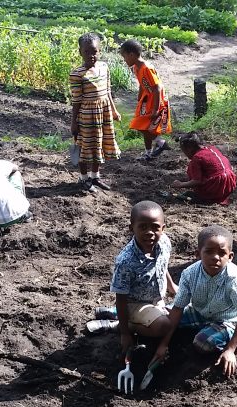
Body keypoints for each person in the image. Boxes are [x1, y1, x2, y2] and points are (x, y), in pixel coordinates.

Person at [153, 225, 237, 378]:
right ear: (198, 254)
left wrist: (230, 349)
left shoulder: (234, 279)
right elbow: (178, 308)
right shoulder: (189, 274)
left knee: (202, 342)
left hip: (226, 320)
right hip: (197, 311)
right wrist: (163, 344)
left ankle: (215, 336)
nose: (215, 257)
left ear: (230, 256)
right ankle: (112, 316)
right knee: (158, 320)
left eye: (222, 253)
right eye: (209, 252)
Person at [88, 201, 177, 359]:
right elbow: (121, 297)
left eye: (155, 227)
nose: (149, 232)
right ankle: (119, 325)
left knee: (179, 315)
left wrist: (172, 287)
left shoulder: (164, 243)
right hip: (134, 303)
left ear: (163, 228)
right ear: (132, 228)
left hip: (156, 299)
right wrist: (125, 334)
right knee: (164, 326)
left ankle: (114, 315)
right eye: (143, 227)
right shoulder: (126, 261)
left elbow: (162, 266)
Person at [71, 32, 121, 193]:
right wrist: (74, 122)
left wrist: (114, 110)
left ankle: (95, 176)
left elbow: (107, 91)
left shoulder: (104, 67)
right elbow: (76, 101)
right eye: (87, 52)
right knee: (86, 146)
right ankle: (84, 178)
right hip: (87, 115)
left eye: (94, 51)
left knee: (99, 144)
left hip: (104, 112)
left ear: (99, 50)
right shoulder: (77, 74)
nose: (91, 55)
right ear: (80, 52)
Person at [119, 39, 172, 161]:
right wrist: (140, 96)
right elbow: (142, 84)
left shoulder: (146, 68)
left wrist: (155, 109)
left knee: (141, 126)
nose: (124, 59)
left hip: (155, 100)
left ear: (131, 54)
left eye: (124, 56)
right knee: (142, 125)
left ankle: (160, 143)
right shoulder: (136, 68)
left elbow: (157, 88)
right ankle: (149, 152)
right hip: (146, 99)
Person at [171, 132, 237, 206]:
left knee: (191, 195)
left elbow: (197, 181)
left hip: (216, 186)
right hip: (229, 184)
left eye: (184, 151)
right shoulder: (212, 148)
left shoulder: (197, 158)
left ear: (189, 149)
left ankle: (207, 198)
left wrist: (180, 184)